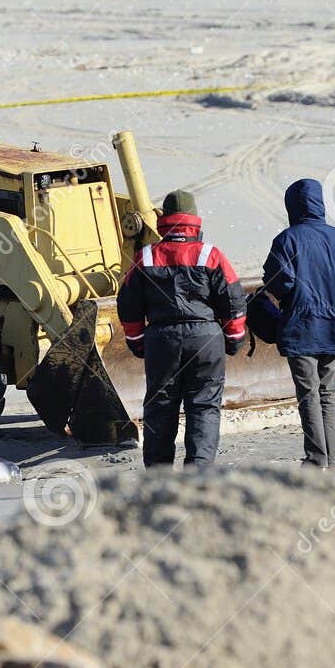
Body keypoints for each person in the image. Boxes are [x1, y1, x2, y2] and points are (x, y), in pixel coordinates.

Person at [117, 190, 248, 467]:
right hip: (206, 340)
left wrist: (137, 341)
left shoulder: (146, 257)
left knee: (160, 407)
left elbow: (128, 304)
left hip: (161, 340)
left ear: (164, 220)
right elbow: (233, 299)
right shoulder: (211, 255)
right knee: (204, 406)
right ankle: (198, 474)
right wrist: (234, 338)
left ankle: (158, 476)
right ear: (194, 220)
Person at [262, 177, 335, 469]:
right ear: (320, 204)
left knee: (308, 395)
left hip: (301, 328)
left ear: (292, 206)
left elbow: (278, 283)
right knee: (326, 395)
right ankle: (331, 461)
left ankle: (315, 459)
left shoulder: (287, 239)